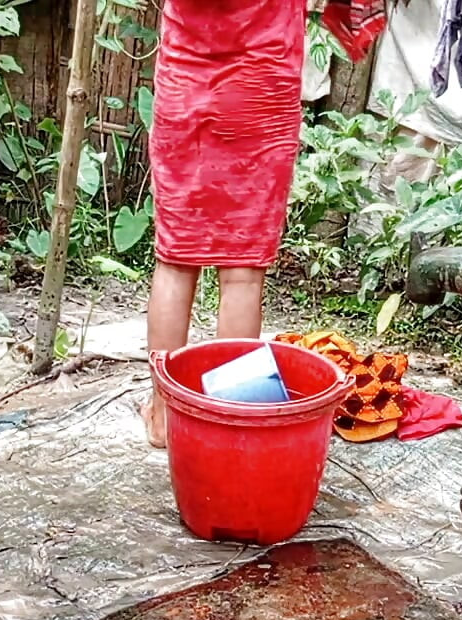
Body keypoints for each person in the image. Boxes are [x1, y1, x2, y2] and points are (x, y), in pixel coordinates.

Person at [142, 0, 385, 448]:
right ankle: (225, 421)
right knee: (242, 273)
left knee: (175, 261)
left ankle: (162, 416)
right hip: (261, 88)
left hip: (185, 87)